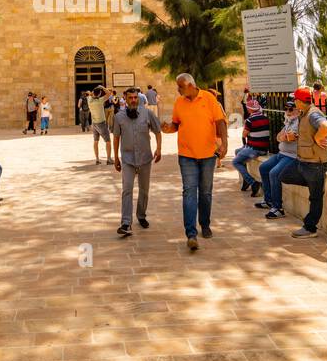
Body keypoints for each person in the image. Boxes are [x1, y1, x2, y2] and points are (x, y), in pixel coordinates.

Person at [161, 73, 227, 251]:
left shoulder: (209, 98)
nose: (178, 90)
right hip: (186, 154)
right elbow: (176, 124)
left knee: (205, 192)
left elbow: (220, 122)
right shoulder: (179, 102)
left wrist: (224, 145)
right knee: (189, 191)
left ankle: (204, 224)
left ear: (190, 85)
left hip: (207, 154)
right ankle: (191, 233)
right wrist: (168, 128)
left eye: (180, 86)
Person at [262, 88, 327, 237]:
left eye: (295, 101)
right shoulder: (303, 114)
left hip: (314, 162)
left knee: (315, 197)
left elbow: (326, 126)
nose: (294, 104)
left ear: (300, 101)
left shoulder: (313, 113)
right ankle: (318, 182)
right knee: (282, 175)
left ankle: (310, 227)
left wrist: (318, 138)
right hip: (303, 160)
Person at [110, 87, 162, 236]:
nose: (133, 100)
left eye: (135, 97)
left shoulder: (147, 113)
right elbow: (116, 138)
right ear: (125, 99)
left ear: (138, 98)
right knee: (127, 189)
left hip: (145, 158)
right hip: (127, 159)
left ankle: (141, 215)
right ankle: (126, 223)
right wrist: (116, 157)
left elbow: (157, 130)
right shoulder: (119, 117)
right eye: (130, 97)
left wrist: (159, 148)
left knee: (144, 190)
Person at [232, 98, 271, 196]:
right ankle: (246, 179)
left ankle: (253, 182)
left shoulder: (250, 120)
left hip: (254, 149)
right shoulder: (265, 117)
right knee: (237, 151)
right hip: (264, 148)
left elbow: (244, 135)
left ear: (249, 109)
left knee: (235, 162)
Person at [88, 86, 112, 164]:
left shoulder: (89, 100)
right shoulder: (100, 101)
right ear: (100, 93)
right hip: (101, 123)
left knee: (95, 141)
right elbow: (109, 93)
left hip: (94, 123)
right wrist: (102, 87)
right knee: (108, 141)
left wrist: (93, 92)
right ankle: (108, 159)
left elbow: (90, 94)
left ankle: (97, 159)